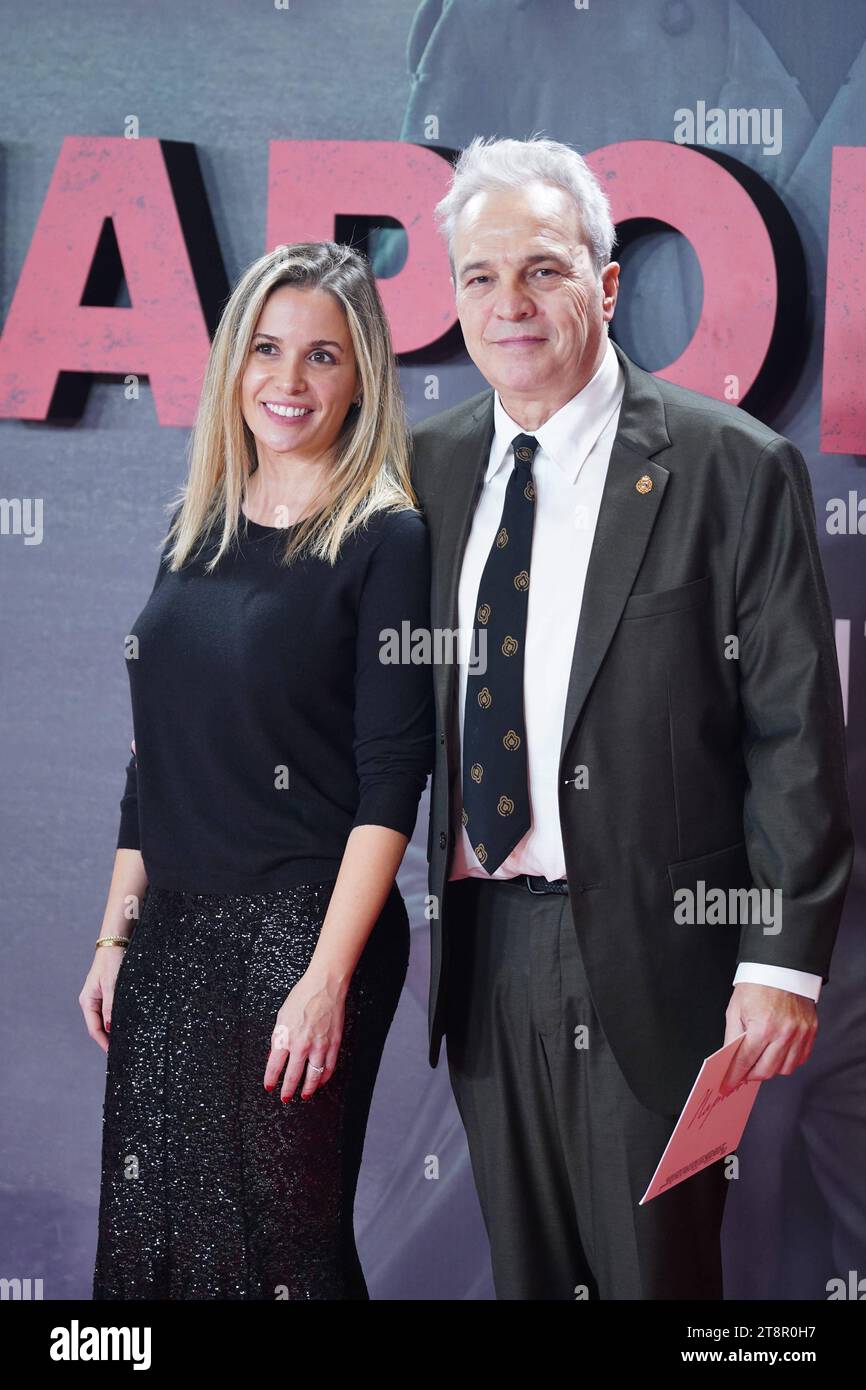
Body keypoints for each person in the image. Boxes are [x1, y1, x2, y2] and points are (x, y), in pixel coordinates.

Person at [409, 135, 853, 1299]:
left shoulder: (730, 467)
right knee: (528, 1279)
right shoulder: (425, 467)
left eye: (543, 270)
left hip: (660, 960)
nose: (508, 304)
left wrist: (777, 960)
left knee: (655, 1286)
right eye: (478, 276)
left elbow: (792, 734)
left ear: (606, 284)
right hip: (480, 952)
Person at [81, 242, 435, 1300]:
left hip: (302, 928)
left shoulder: (386, 538)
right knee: (149, 1247)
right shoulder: (195, 530)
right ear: (233, 365)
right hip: (171, 935)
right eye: (267, 350)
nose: (288, 382)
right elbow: (154, 759)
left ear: (361, 376)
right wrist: (115, 934)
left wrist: (324, 978)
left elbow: (392, 777)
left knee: (282, 1256)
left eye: (321, 356)